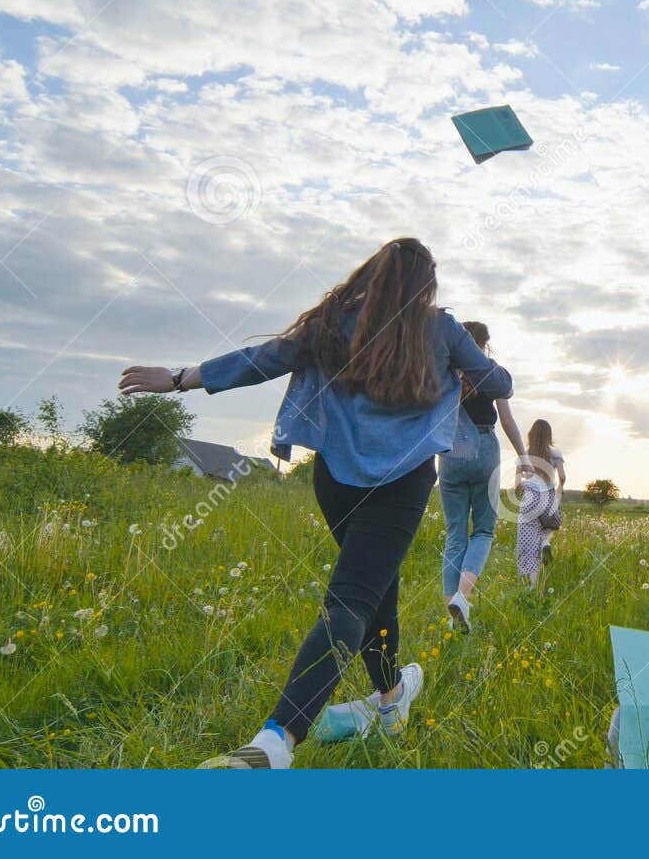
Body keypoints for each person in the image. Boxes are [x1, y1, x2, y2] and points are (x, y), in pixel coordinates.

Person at [118, 238, 511, 769]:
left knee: (374, 587)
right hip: (402, 484)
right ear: (425, 285)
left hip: (335, 478)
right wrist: (465, 366)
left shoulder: (333, 321)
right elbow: (501, 381)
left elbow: (265, 359)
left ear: (373, 273)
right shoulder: (440, 328)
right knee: (352, 599)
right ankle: (277, 740)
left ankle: (391, 701)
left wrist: (182, 378)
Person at [439, 321, 526, 634]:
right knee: (485, 530)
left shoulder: (444, 371)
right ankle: (462, 597)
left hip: (449, 451)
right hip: (484, 447)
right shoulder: (490, 372)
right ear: (485, 344)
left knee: (455, 533)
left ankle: (453, 618)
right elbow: (507, 420)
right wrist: (524, 456)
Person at [515, 418, 565, 585]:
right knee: (552, 523)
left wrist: (524, 483)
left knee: (528, 546)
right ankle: (545, 541)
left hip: (530, 500)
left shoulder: (524, 455)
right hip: (549, 498)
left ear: (530, 435)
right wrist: (559, 490)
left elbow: (517, 486)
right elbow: (563, 477)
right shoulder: (555, 454)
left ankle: (532, 588)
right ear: (549, 436)